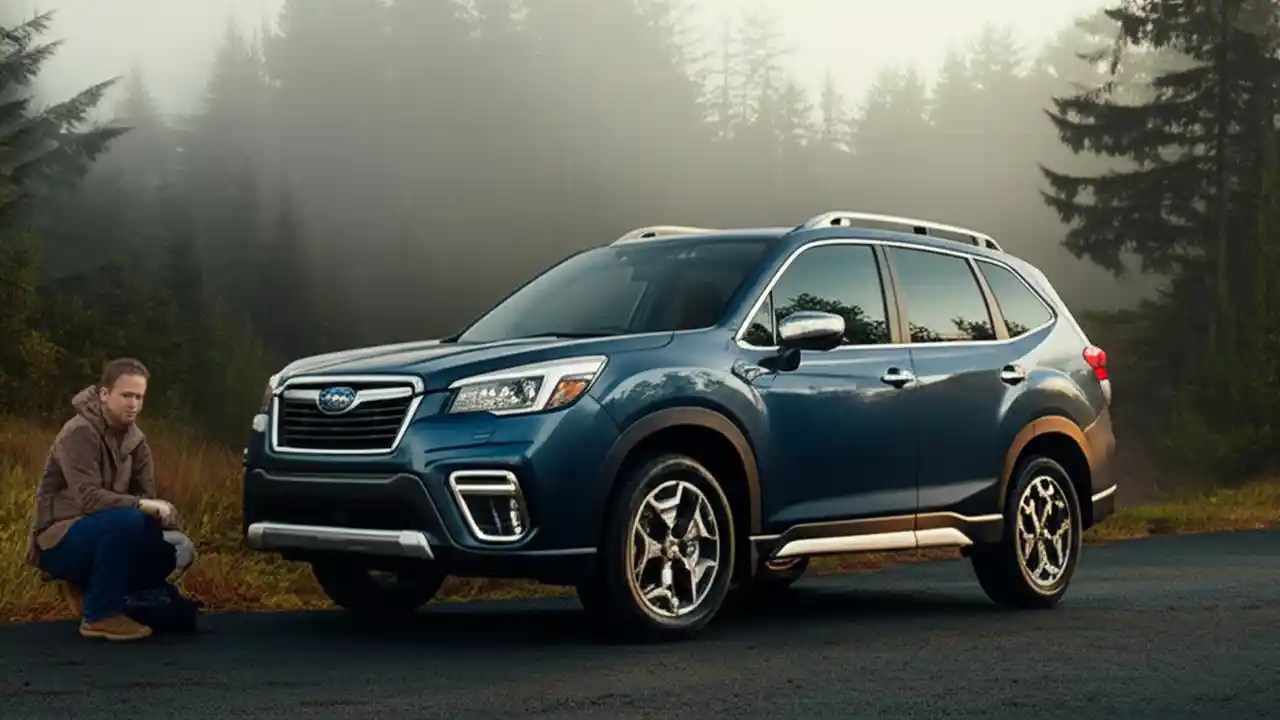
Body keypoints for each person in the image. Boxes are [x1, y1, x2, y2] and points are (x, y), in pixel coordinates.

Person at [25, 358, 194, 641]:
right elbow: (88, 499)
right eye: (126, 395)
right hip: (60, 537)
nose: (133, 404)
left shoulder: (137, 443)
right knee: (128, 520)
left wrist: (163, 516)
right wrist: (139, 506)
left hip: (107, 530)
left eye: (139, 397)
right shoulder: (78, 432)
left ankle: (92, 588)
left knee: (173, 548)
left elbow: (147, 497)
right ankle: (99, 615)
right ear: (105, 395)